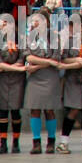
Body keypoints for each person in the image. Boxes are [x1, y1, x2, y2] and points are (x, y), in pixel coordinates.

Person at [57, 18, 82, 154]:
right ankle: (64, 142)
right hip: (72, 79)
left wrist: (68, 65)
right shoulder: (70, 42)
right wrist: (75, 60)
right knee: (73, 110)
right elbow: (64, 58)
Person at [23, 11, 61, 154]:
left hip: (50, 76)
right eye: (34, 21)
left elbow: (56, 59)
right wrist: (46, 62)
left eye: (38, 21)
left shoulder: (54, 38)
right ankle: (36, 142)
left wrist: (39, 65)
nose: (35, 24)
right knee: (35, 109)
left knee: (49, 109)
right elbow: (29, 57)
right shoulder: (29, 38)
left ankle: (51, 141)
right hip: (35, 78)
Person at [0, 13, 25, 153]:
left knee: (15, 111)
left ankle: (16, 141)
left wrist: (18, 64)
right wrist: (10, 67)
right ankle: (2, 141)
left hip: (17, 79)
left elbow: (23, 55)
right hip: (3, 78)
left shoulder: (20, 39)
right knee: (2, 111)